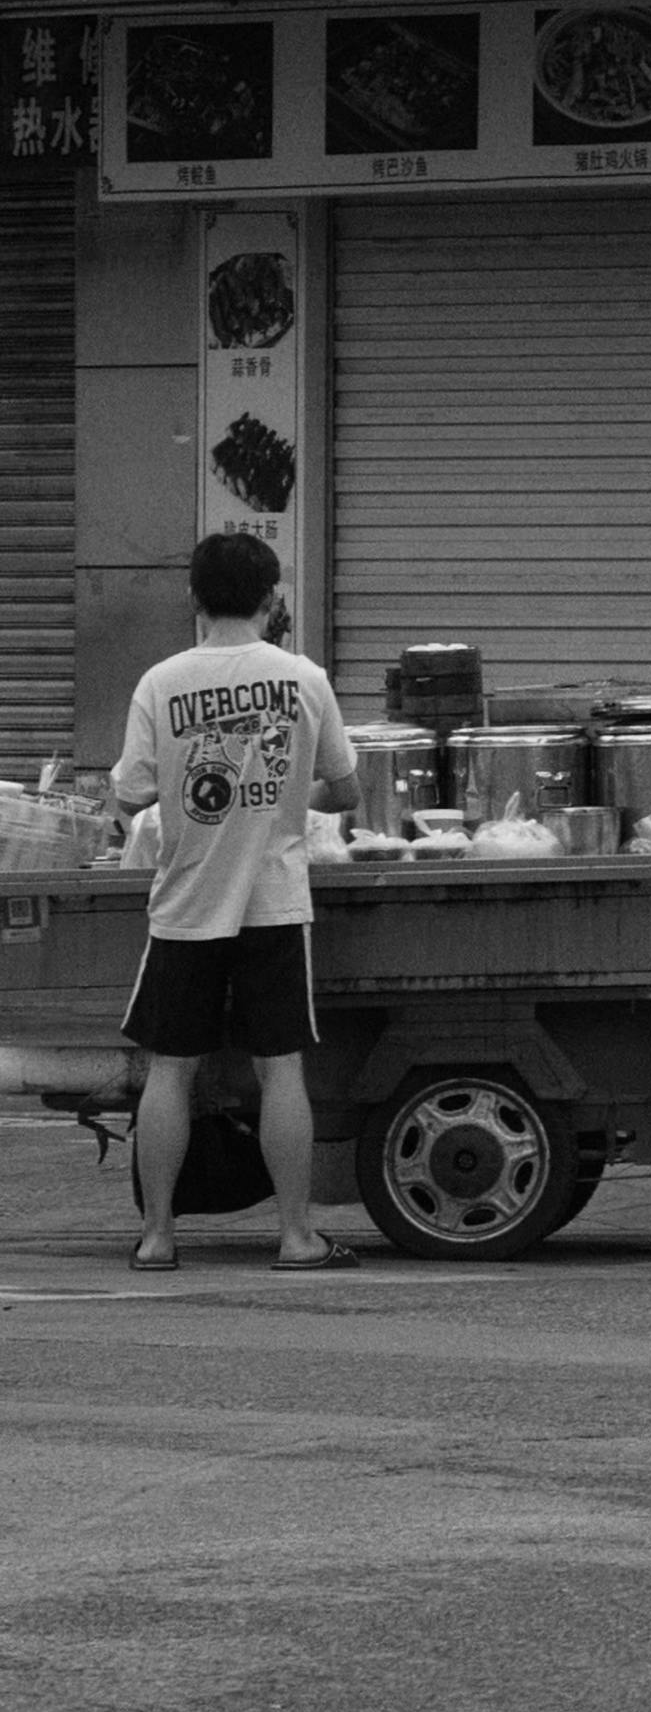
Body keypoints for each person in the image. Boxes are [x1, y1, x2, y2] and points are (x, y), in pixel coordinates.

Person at [112, 530, 360, 1276]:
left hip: (186, 904)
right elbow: (345, 791)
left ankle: (158, 1237)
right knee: (279, 1069)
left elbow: (131, 798)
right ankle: (296, 1238)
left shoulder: (161, 682)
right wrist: (286, 803)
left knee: (171, 1070)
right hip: (275, 904)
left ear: (193, 597)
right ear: (273, 597)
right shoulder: (304, 678)